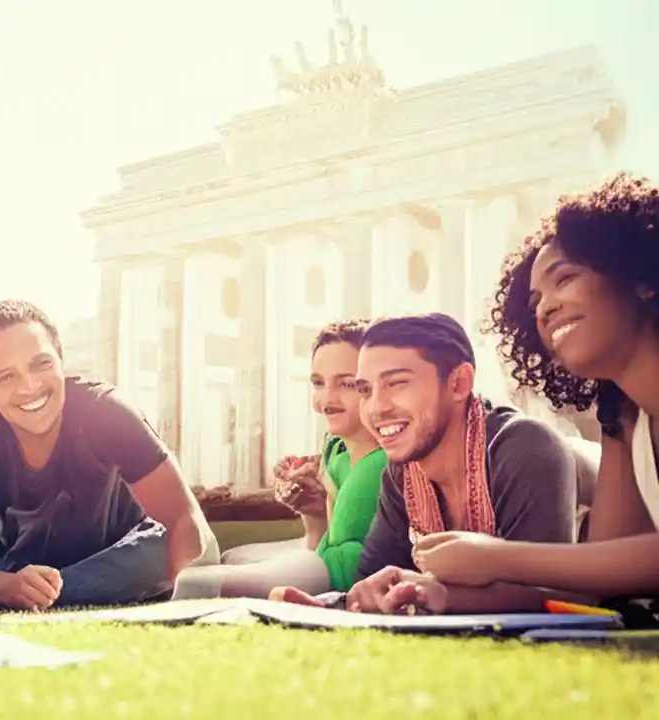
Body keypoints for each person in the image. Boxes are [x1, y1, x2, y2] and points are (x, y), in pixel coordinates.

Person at [407, 173, 659, 608]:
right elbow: (607, 578)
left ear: (641, 276)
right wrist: (438, 594)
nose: (545, 308)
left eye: (565, 279)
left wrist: (498, 557)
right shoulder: (623, 417)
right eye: (535, 301)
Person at [272, 313, 585, 614]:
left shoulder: (524, 448)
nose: (376, 408)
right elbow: (375, 579)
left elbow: (556, 595)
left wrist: (444, 595)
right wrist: (335, 606)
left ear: (459, 383)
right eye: (365, 390)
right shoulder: (402, 472)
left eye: (396, 383)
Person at [0, 300, 218, 610]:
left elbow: (185, 519)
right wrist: (3, 587)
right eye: (6, 377)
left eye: (41, 364)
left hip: (117, 556)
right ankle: (3, 592)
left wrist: (185, 602)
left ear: (61, 360)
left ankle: (26, 598)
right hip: (16, 568)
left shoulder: (106, 412)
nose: (30, 386)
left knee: (160, 551)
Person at [173, 320, 386, 598]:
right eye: (318, 383)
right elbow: (320, 543)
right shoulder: (336, 453)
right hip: (324, 561)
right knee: (231, 557)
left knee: (193, 583)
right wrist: (312, 511)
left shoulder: (388, 462)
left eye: (345, 383)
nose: (327, 398)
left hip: (347, 573)